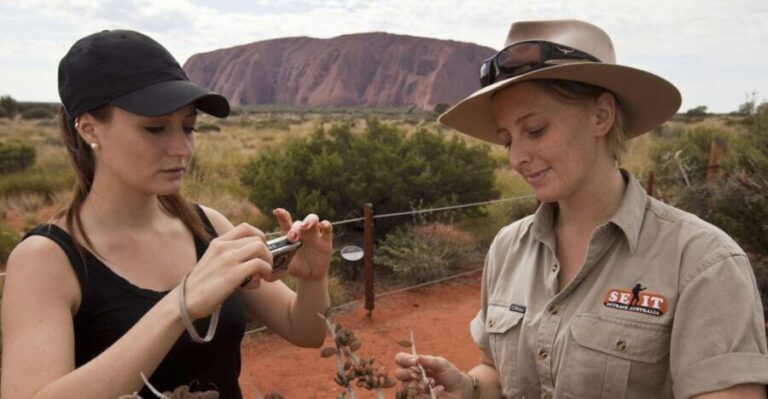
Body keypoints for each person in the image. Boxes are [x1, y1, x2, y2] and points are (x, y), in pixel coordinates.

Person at [394, 20, 768, 398]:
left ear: (601, 115)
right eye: (507, 141)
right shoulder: (508, 248)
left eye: (535, 129)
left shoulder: (703, 262)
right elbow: (495, 370)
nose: (517, 158)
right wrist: (468, 388)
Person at [0, 30, 333, 398]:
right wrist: (181, 304)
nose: (181, 148)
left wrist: (313, 279)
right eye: (155, 128)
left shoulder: (208, 227)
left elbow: (305, 331)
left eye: (188, 127)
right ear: (90, 128)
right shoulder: (45, 260)